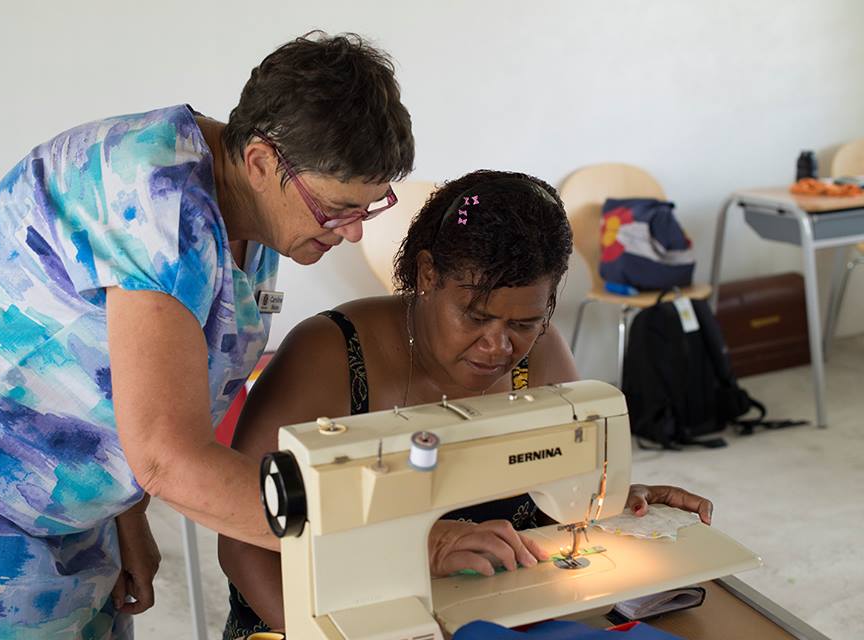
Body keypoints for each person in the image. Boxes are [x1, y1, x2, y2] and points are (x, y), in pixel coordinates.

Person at [0, 32, 414, 639]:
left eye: (370, 207)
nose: (353, 234)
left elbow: (149, 389)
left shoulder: (260, 212)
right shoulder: (154, 202)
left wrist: (128, 519)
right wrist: (382, 538)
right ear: (261, 163)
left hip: (73, 505)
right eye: (337, 210)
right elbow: (170, 459)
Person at [217, 170, 714, 638]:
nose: (499, 346)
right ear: (428, 273)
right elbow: (242, 545)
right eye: (475, 316)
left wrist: (617, 501)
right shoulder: (330, 356)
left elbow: (565, 489)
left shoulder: (539, 357)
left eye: (523, 324)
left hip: (484, 613)